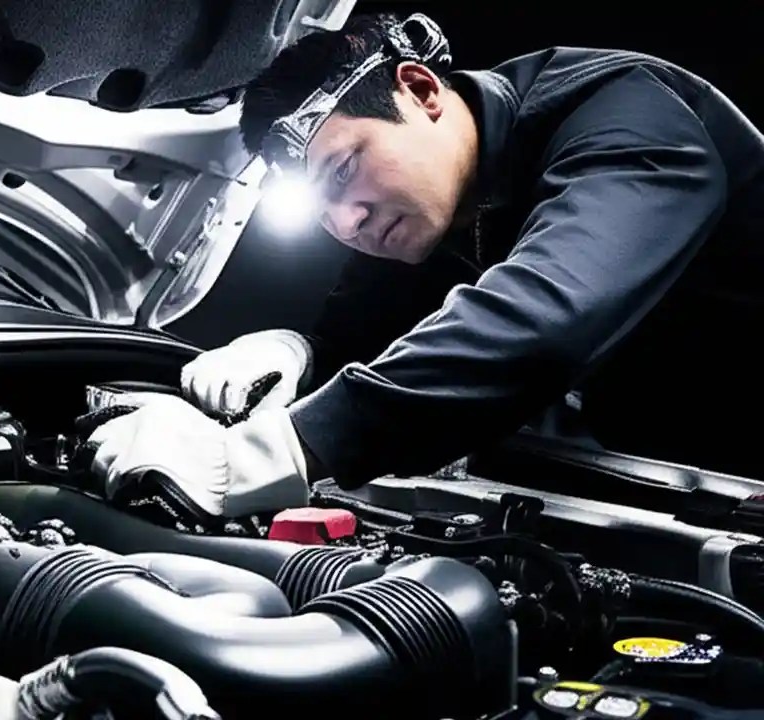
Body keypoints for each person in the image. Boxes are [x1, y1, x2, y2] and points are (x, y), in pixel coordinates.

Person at [86, 12, 764, 520]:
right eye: (323, 211)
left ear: (420, 90)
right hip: (672, 480)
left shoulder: (630, 116)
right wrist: (296, 354)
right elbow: (362, 342)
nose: (347, 224)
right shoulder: (427, 205)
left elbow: (547, 318)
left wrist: (270, 455)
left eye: (345, 172)